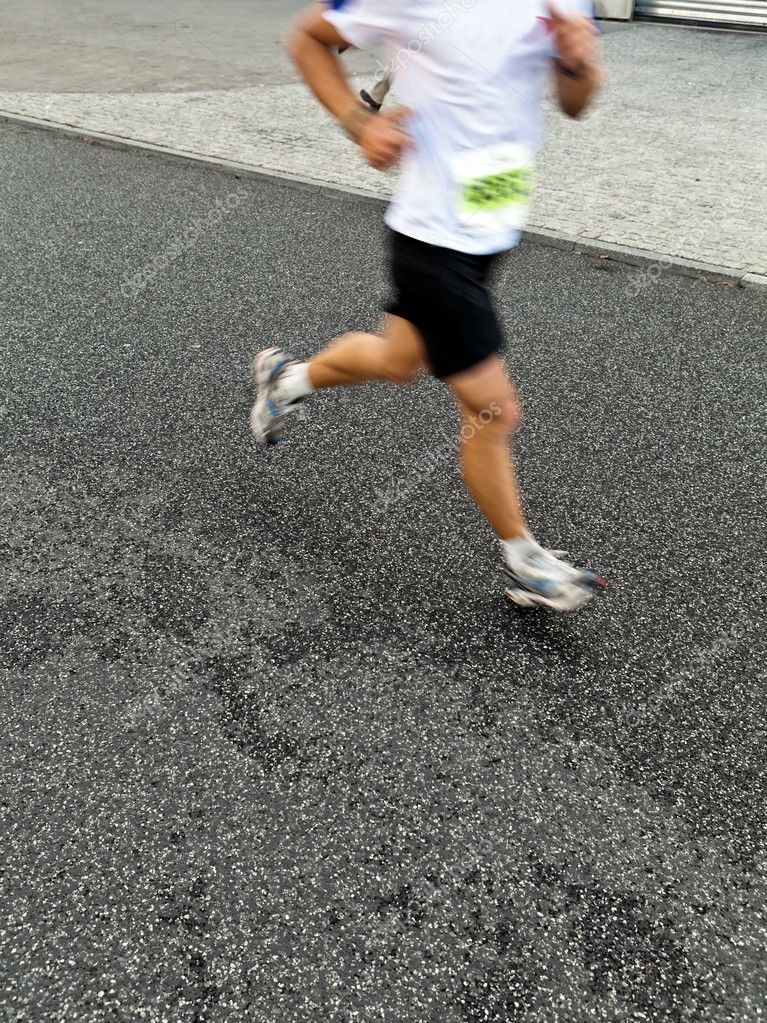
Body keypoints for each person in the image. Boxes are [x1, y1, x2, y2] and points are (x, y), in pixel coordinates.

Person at [250, 0, 606, 612]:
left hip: (493, 227)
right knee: (493, 410)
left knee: (398, 360)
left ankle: (287, 379)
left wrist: (576, 65)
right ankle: (525, 560)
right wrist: (358, 124)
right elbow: (309, 38)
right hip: (432, 238)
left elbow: (576, 104)